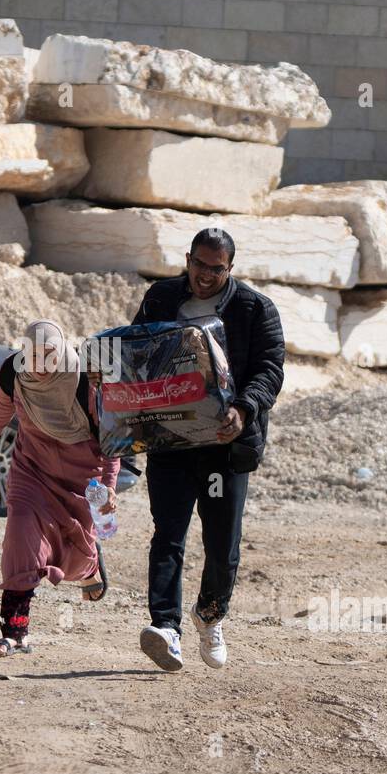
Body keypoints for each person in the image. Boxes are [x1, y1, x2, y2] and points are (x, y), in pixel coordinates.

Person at [128, 228, 284, 672]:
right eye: (199, 264)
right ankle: (166, 628)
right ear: (188, 259)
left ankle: (210, 614)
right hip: (171, 442)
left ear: (230, 268)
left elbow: (270, 370)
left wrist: (243, 408)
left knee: (221, 543)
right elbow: (135, 354)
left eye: (217, 268)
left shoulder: (255, 309)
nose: (206, 275)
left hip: (223, 448)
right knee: (168, 534)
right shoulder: (160, 297)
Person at [0, 320, 120, 657]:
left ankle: (90, 568)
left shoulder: (85, 380)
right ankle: (15, 632)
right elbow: (2, 407)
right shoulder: (14, 372)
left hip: (82, 474)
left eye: (48, 354)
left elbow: (112, 437)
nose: (39, 363)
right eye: (31, 354)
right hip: (31, 469)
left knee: (75, 553)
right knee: (21, 535)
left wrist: (108, 486)